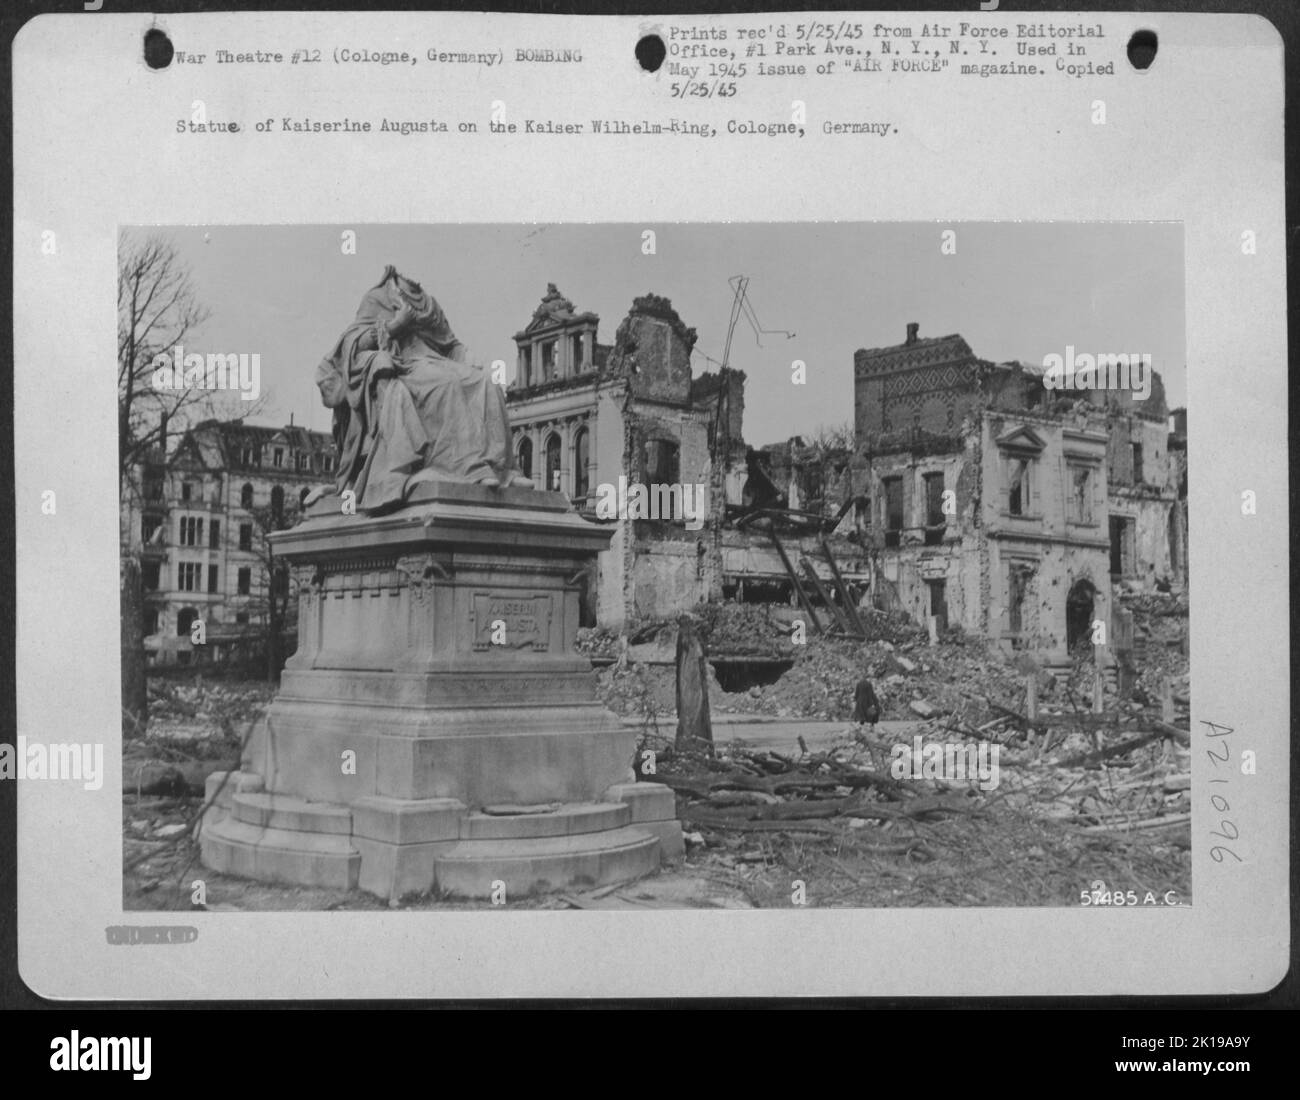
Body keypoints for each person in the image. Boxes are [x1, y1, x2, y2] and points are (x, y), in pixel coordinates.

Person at [315, 266, 531, 512]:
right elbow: (355, 344)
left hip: (436, 362)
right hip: (405, 364)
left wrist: (468, 358)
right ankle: (472, 469)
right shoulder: (378, 296)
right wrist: (397, 324)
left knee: (486, 384)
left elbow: (450, 344)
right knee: (448, 385)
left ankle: (501, 468)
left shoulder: (428, 303)